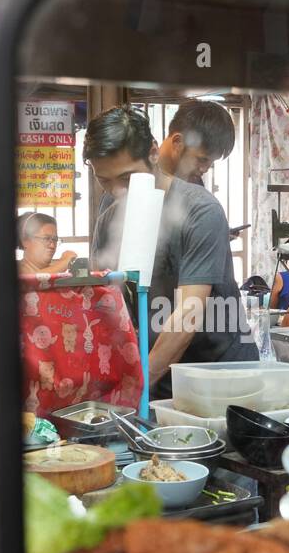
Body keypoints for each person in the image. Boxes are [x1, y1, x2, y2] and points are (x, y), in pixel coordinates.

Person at [86, 106, 256, 399]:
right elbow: (106, 307)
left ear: (153, 152)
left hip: (218, 378)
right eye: (104, 180)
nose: (116, 192)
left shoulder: (201, 211)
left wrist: (136, 387)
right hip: (159, 379)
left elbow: (187, 316)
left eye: (126, 179)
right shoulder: (109, 219)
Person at [156, 100, 236, 186]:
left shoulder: (193, 182)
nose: (205, 170)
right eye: (202, 159)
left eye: (211, 163)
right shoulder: (143, 179)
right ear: (177, 142)